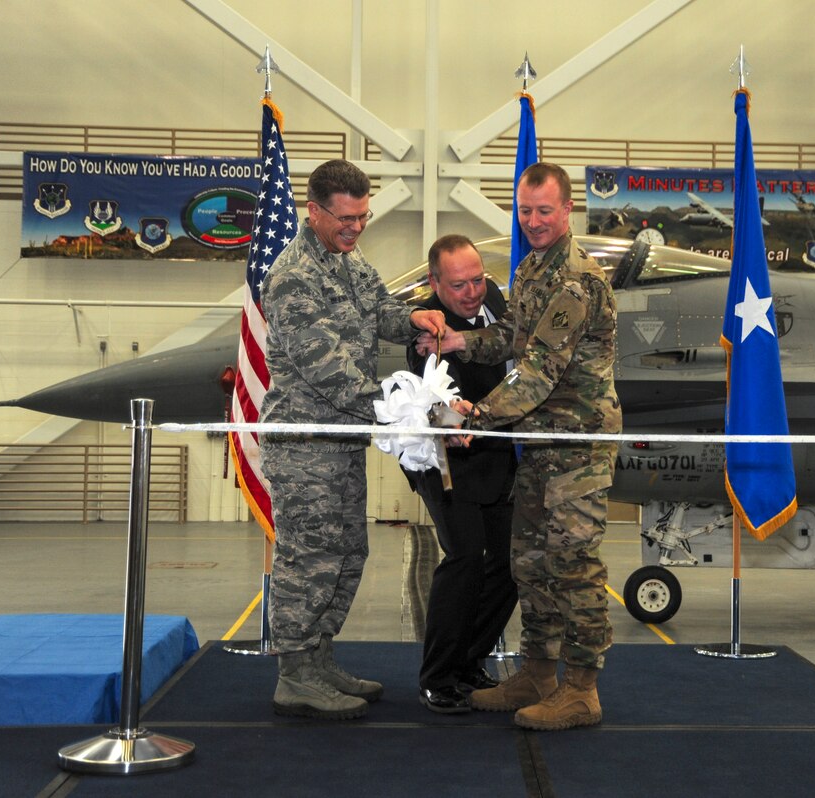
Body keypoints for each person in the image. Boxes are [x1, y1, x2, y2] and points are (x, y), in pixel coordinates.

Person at [417, 162, 622, 731]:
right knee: (530, 563)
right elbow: (513, 338)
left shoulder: (578, 281)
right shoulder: (534, 269)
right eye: (524, 210)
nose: (532, 221)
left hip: (577, 448)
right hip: (540, 444)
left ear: (567, 210)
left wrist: (477, 416)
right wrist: (464, 339)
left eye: (544, 211)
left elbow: (538, 371)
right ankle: (537, 673)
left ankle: (581, 689)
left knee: (575, 568)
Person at [259, 159, 446, 720]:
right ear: (313, 211)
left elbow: (379, 311)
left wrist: (416, 318)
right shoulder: (294, 276)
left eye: (363, 217)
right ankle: (294, 674)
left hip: (340, 442)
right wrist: (402, 413)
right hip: (304, 443)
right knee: (308, 557)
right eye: (346, 219)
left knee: (346, 552)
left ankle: (319, 658)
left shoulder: (347, 258)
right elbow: (329, 370)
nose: (356, 228)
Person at [404, 234, 519, 714]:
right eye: (458, 285)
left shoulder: (495, 298)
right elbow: (430, 400)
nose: (472, 292)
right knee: (467, 557)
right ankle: (438, 675)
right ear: (435, 283)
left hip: (495, 456)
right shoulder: (427, 330)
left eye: (478, 279)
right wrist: (452, 418)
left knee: (511, 566)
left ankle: (471, 658)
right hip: (445, 459)